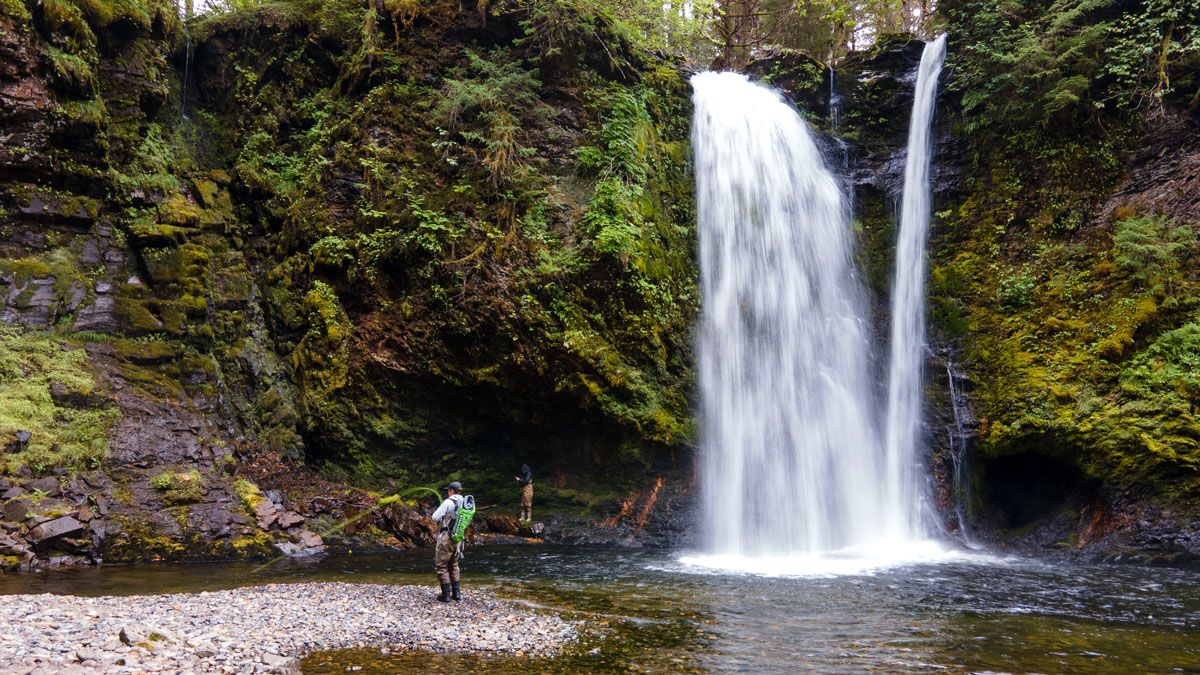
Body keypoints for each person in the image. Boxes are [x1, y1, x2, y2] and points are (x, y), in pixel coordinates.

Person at [430, 481, 464, 602]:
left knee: (441, 565)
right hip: (458, 538)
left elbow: (435, 517)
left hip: (446, 537)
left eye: (448, 490)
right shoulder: (465, 502)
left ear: (451, 491)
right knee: (454, 565)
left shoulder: (449, 502)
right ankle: (456, 593)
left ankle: (446, 595)